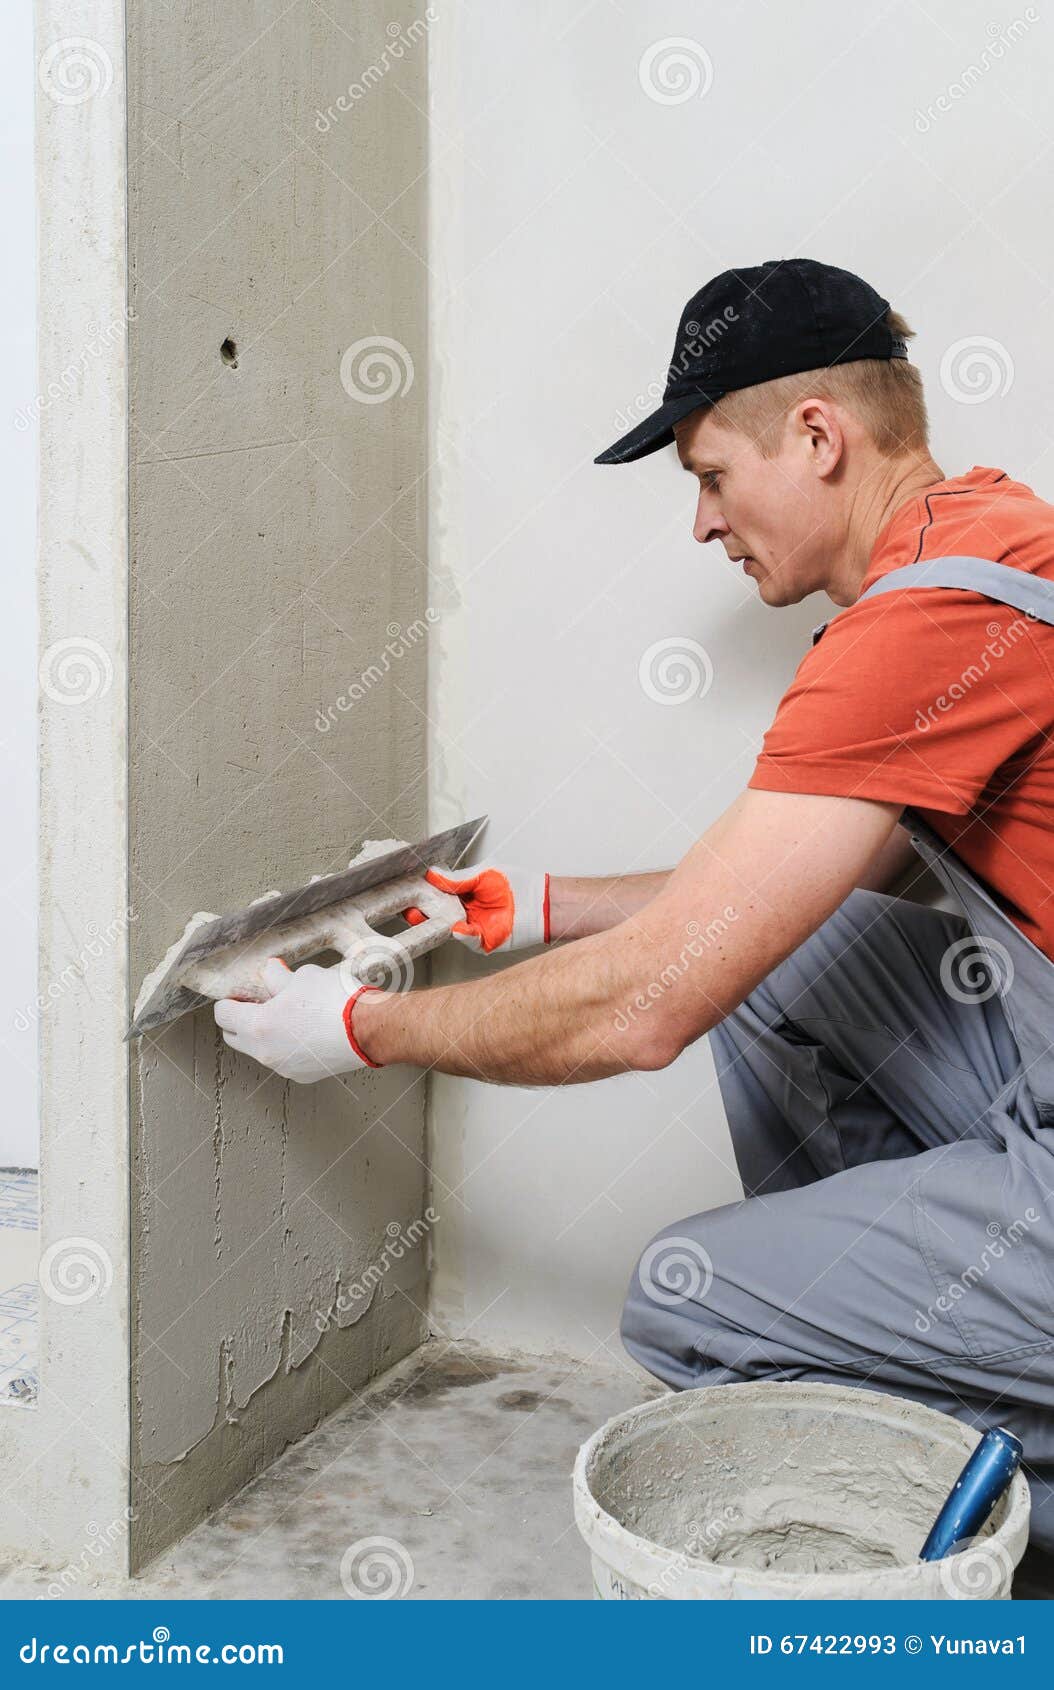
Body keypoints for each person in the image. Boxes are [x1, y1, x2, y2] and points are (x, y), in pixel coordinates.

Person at [216, 259, 1054, 1552]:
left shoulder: (921, 627)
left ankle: (940, 1471)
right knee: (797, 960)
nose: (702, 524)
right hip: (1031, 1086)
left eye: (710, 476)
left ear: (817, 437)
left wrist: (356, 1031)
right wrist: (540, 905)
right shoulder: (990, 537)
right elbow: (771, 905)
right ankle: (913, 1334)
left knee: (689, 1306)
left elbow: (650, 1004)